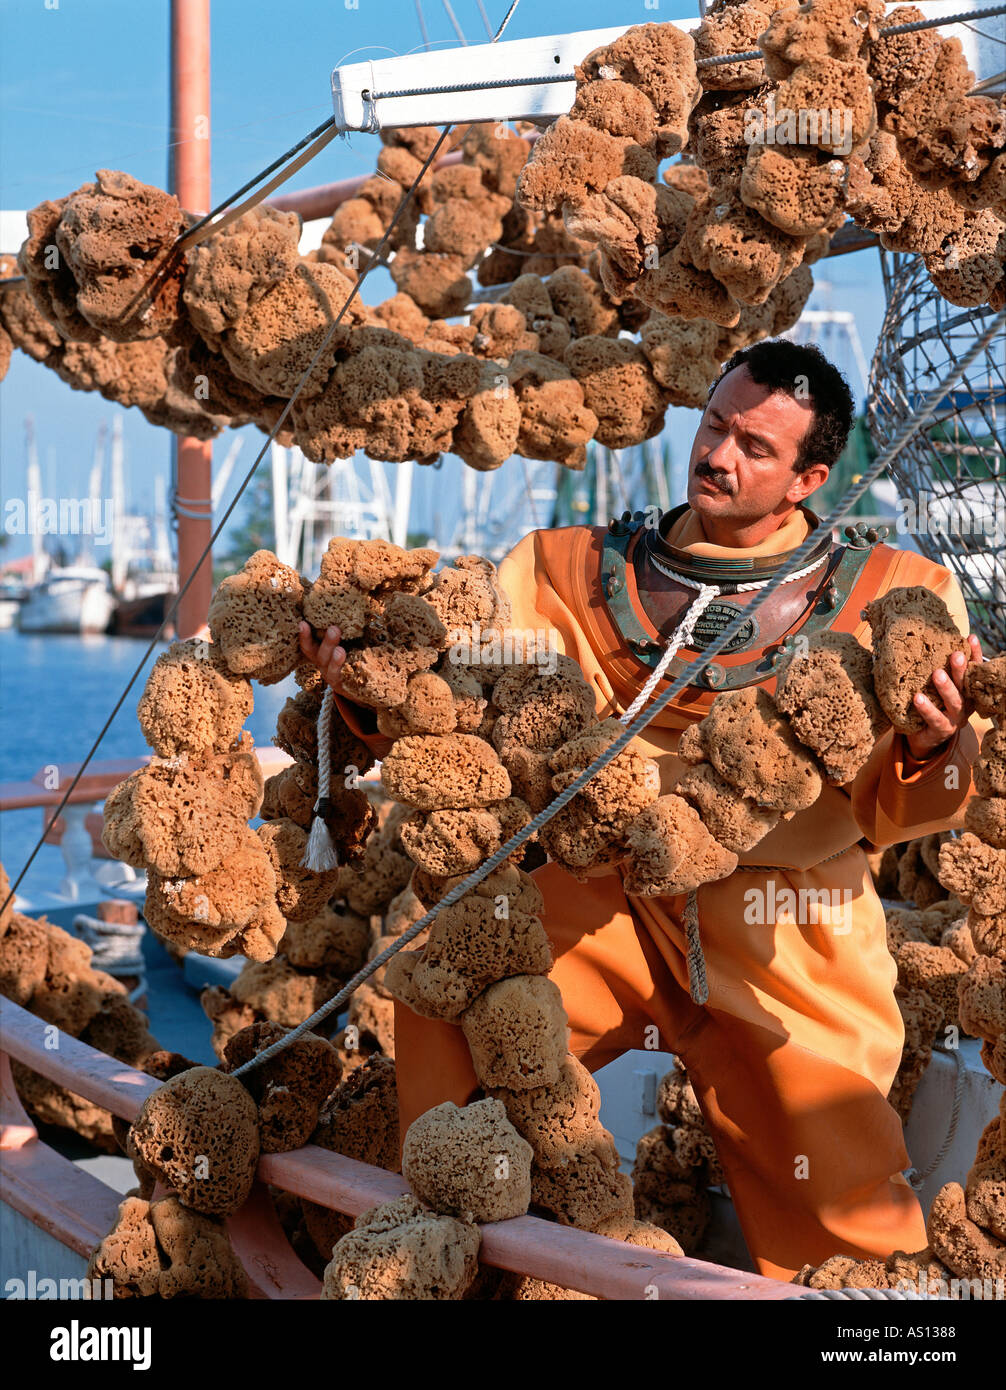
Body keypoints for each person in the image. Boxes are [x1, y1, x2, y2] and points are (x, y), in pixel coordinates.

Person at [299, 340, 986, 1282]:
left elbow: (917, 812)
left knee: (840, 1189)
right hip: (598, 897)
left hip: (788, 929)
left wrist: (934, 746)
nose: (717, 455)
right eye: (713, 425)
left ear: (810, 477)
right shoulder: (561, 569)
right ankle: (472, 1259)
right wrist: (368, 680)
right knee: (449, 1010)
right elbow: (452, 701)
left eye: (753, 445)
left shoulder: (894, 597)